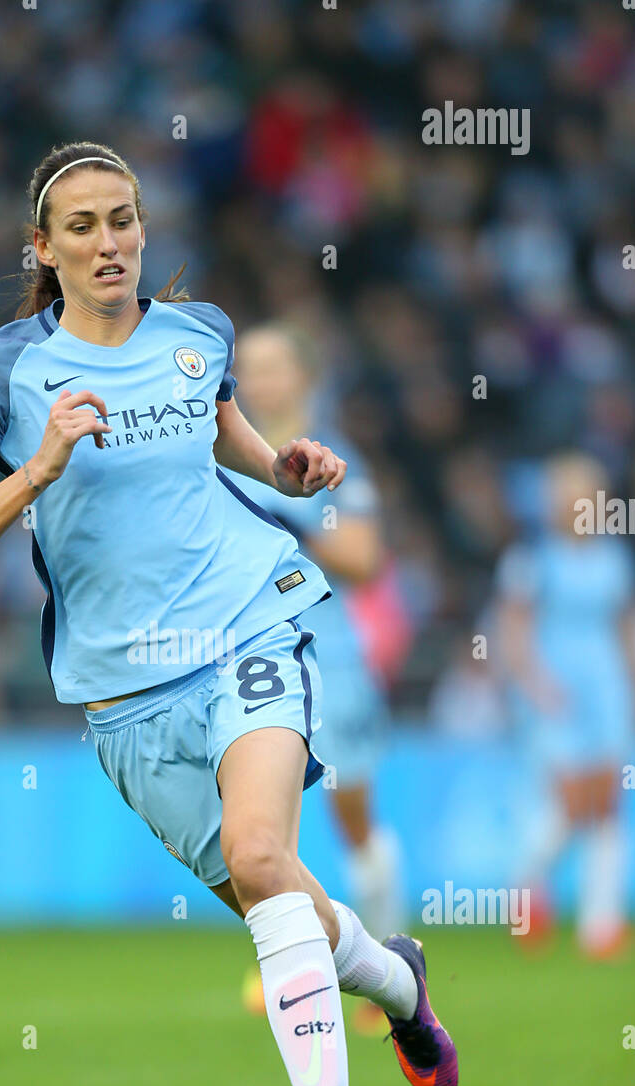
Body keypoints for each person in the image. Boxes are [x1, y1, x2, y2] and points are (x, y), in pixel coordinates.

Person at [0, 140, 457, 1086]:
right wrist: (38, 469)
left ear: (143, 230)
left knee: (263, 858)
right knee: (278, 898)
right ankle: (397, 982)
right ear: (43, 249)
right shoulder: (5, 371)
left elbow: (236, 449)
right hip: (123, 697)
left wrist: (287, 469)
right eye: (83, 227)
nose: (109, 242)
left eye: (124, 219)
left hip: (247, 623)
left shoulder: (196, 336)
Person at [228, 322, 406, 1034]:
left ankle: (392, 956)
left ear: (304, 376)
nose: (263, 380)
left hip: (331, 656)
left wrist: (296, 525)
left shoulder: (337, 463)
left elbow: (364, 561)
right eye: (252, 368)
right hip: (254, 658)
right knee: (264, 829)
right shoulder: (228, 456)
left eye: (276, 366)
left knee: (353, 815)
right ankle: (295, 960)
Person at [495, 451, 635, 958]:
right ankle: (526, 883)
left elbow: (625, 630)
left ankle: (602, 926)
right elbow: (512, 633)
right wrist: (536, 686)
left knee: (608, 805)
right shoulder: (531, 560)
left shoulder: (615, 559)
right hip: (556, 691)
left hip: (607, 690)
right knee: (571, 805)